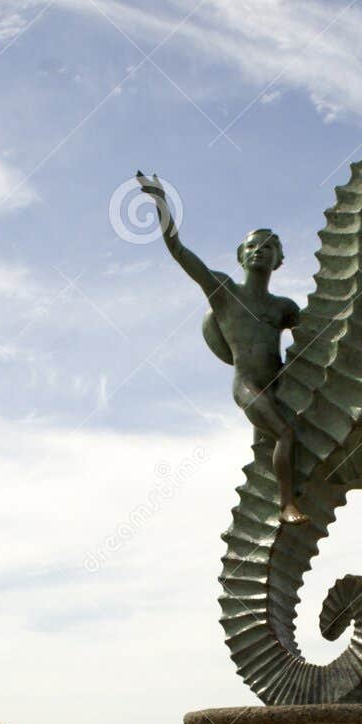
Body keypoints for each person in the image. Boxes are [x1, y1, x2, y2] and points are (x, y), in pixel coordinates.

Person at [136, 171, 308, 523]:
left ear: (279, 260)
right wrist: (162, 204)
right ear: (241, 257)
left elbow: (315, 338)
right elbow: (179, 251)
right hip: (248, 386)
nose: (259, 251)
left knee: (289, 441)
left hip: (281, 385)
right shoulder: (225, 292)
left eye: (268, 247)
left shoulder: (283, 307)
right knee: (285, 433)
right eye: (252, 247)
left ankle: (289, 496)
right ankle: (287, 505)